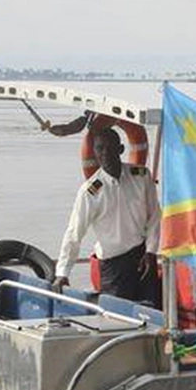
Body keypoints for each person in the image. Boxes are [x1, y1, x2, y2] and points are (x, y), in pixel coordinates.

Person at [54, 129, 160, 302]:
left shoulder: (141, 177)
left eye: (109, 147)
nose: (104, 153)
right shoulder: (90, 192)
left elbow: (155, 216)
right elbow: (74, 233)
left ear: (120, 149)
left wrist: (151, 251)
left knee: (151, 313)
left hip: (143, 259)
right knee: (117, 319)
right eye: (99, 148)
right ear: (94, 152)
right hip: (113, 265)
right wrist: (62, 272)